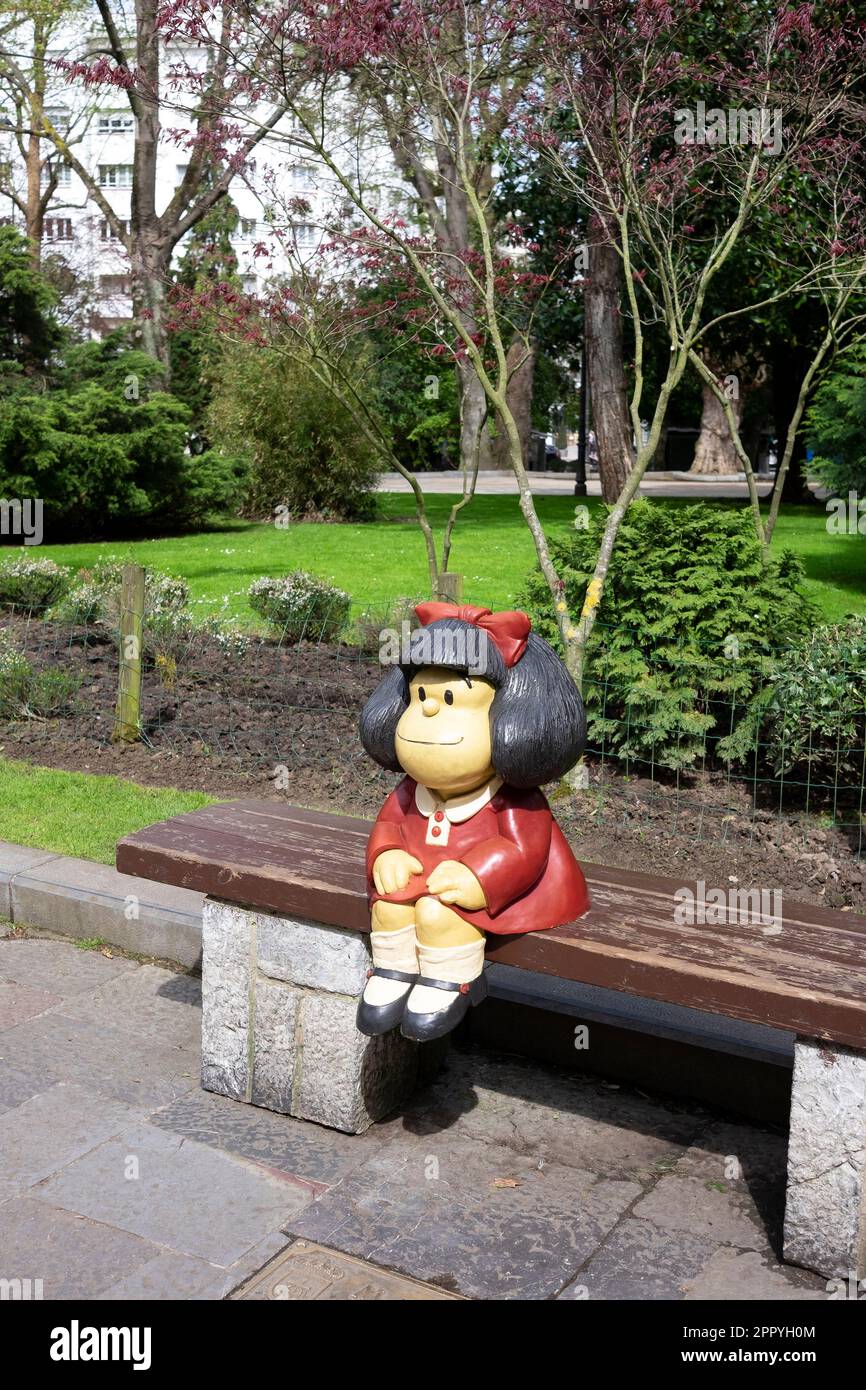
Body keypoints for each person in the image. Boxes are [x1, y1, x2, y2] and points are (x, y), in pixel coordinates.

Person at [357, 601, 590, 1042]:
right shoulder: (412, 790)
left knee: (438, 914)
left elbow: (524, 851)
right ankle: (393, 971)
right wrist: (386, 854)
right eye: (420, 697)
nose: (428, 712)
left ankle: (450, 980)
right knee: (388, 907)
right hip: (423, 877)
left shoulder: (513, 800)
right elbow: (389, 826)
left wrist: (479, 876)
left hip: (496, 892)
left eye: (450, 699)